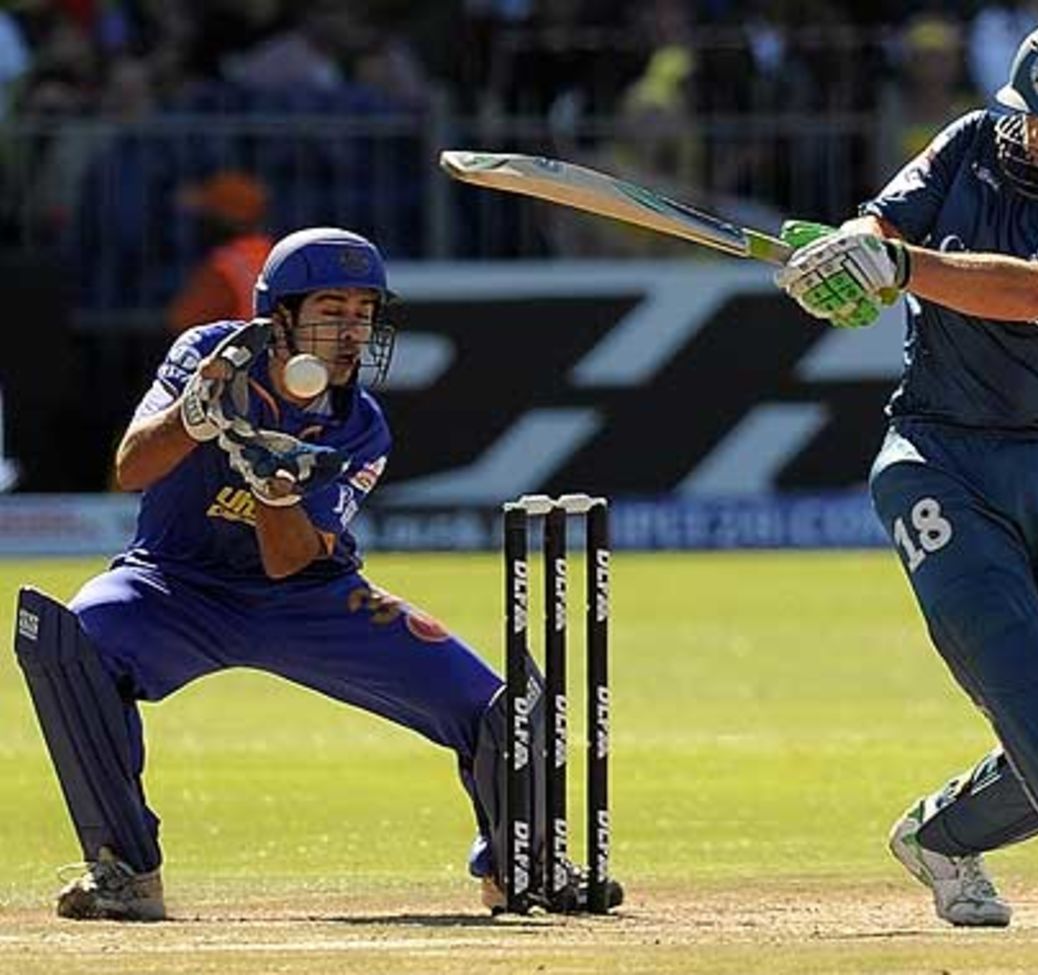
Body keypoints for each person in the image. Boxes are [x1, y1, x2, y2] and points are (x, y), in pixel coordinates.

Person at [14, 227, 621, 920]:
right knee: (71, 639)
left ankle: (523, 867)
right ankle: (124, 871)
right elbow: (131, 468)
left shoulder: (360, 426)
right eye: (332, 311)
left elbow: (290, 559)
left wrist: (273, 486)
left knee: (494, 705)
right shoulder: (207, 353)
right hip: (172, 586)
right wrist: (195, 415)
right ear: (280, 316)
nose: (352, 331)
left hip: (310, 597)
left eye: (364, 313)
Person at [776, 16, 1038, 930]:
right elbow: (884, 221)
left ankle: (942, 836)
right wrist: (850, 251)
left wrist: (899, 264)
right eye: (1028, 110)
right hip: (932, 455)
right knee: (1017, 654)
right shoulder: (973, 140)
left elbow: (1036, 292)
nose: (1035, 131)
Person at [166, 170, 274, 334]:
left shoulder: (225, 265)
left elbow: (183, 323)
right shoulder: (275, 254)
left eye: (205, 216)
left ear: (221, 221)